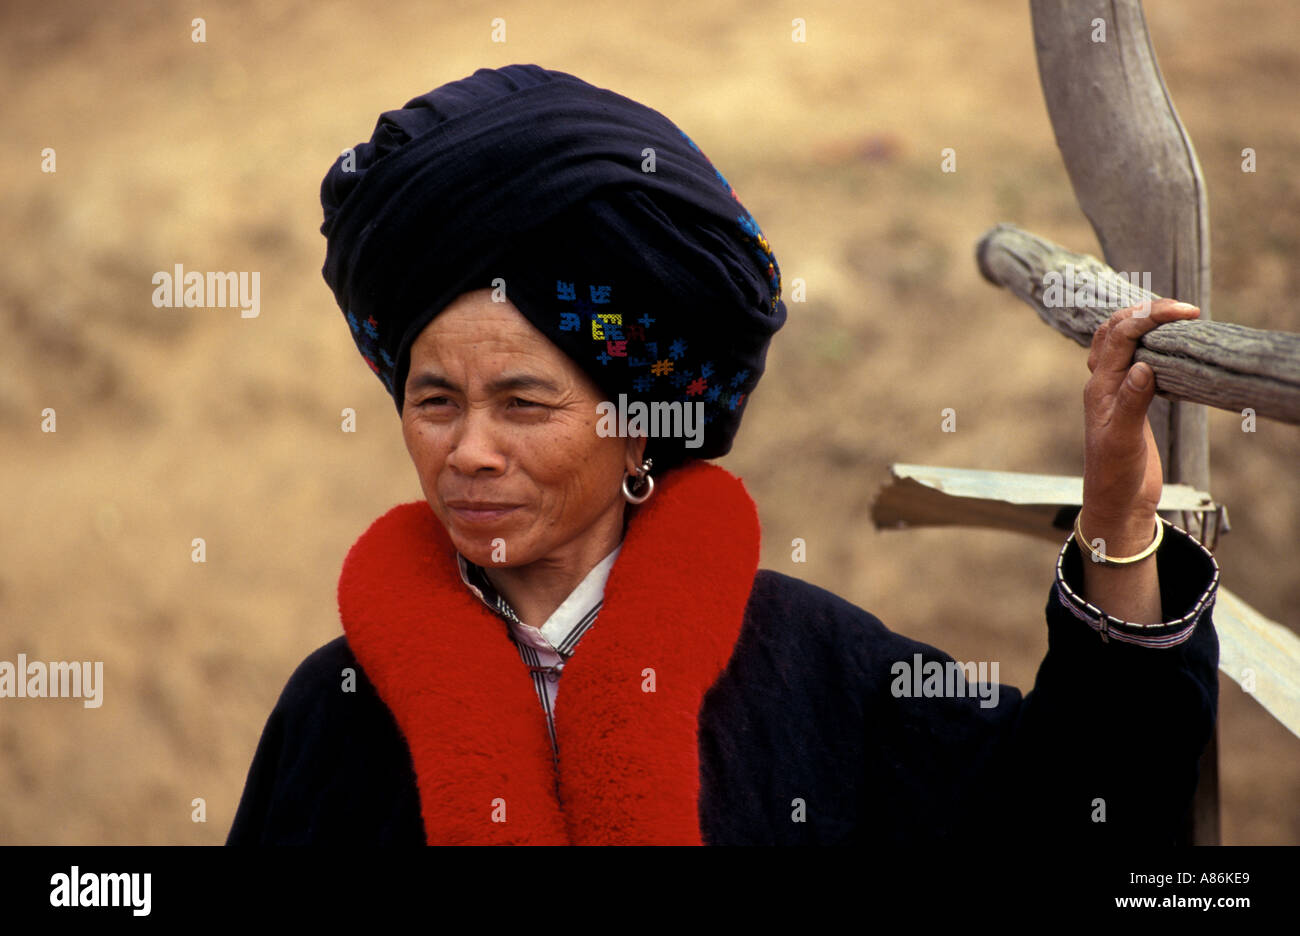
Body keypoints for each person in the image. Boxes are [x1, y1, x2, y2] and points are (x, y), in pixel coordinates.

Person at [226, 64, 1218, 846]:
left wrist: (1120, 524)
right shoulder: (336, 715)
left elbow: (1079, 820)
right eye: (433, 400)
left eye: (524, 402)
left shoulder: (818, 673)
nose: (468, 452)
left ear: (639, 427)